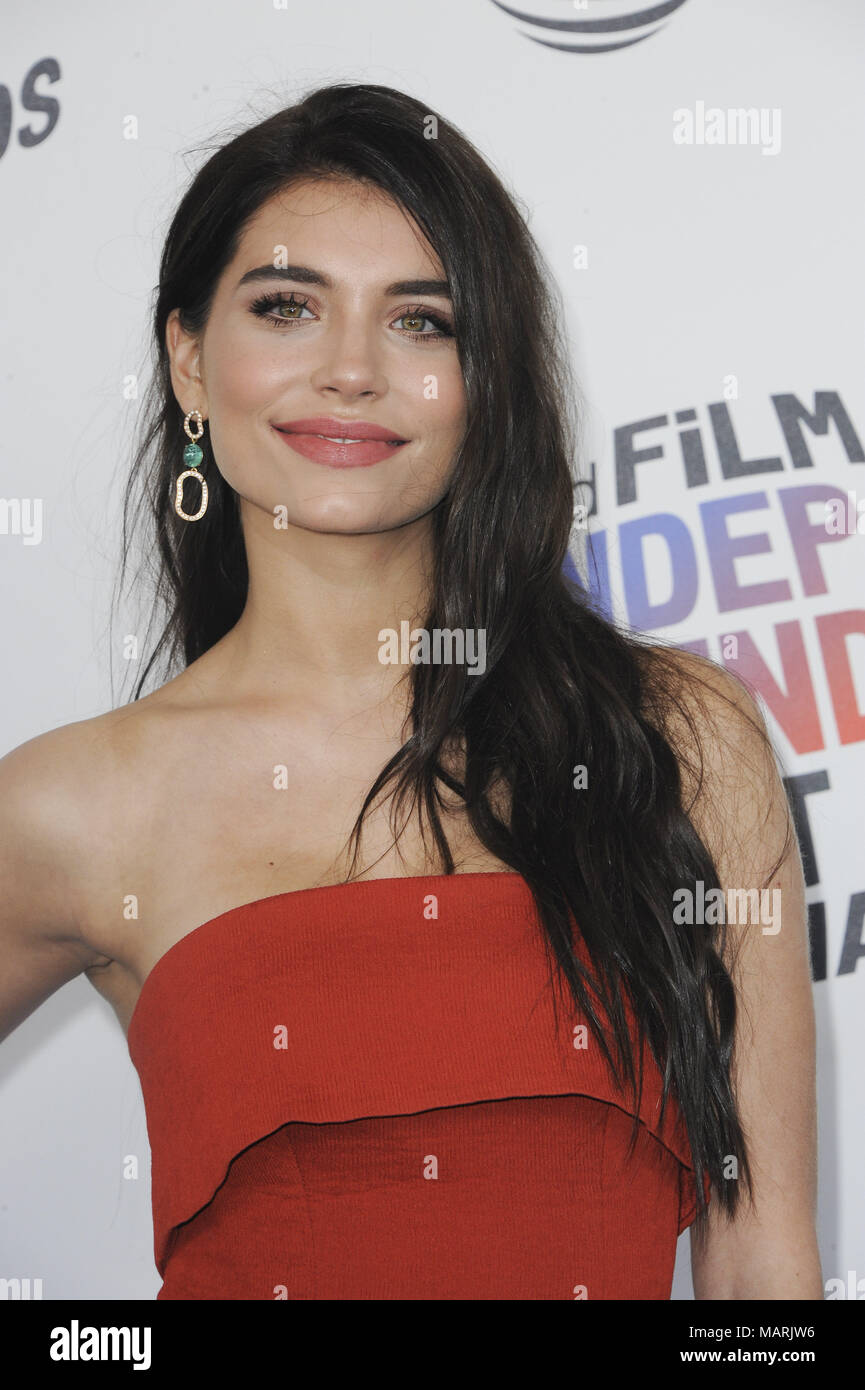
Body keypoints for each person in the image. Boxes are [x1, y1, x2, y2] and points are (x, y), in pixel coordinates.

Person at [0, 82, 821, 1300]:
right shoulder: (75, 804)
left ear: (485, 379)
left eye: (421, 322)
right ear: (187, 361)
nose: (349, 371)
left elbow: (763, 1272)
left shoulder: (677, 739)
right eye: (286, 306)